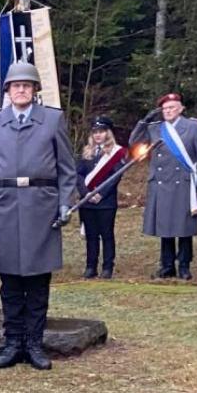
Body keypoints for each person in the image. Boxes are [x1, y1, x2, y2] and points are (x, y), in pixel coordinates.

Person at [0, 61, 75, 371]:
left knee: (38, 280)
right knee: (10, 281)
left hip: (41, 206)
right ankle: (12, 342)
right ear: (7, 91)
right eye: (15, 85)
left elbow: (67, 169)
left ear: (34, 90)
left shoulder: (52, 121)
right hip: (5, 206)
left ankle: (34, 343)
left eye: (26, 85)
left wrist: (65, 204)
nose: (21, 89)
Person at [130, 92, 197, 280]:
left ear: (181, 109)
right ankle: (167, 265)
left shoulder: (194, 127)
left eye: (172, 107)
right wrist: (143, 122)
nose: (168, 111)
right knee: (165, 227)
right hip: (161, 183)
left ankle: (184, 265)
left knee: (183, 228)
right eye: (164, 109)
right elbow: (134, 143)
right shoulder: (156, 128)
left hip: (184, 184)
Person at [76, 116, 127, 279]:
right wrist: (85, 193)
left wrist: (101, 194)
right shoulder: (86, 151)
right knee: (91, 235)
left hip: (105, 201)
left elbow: (116, 176)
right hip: (87, 202)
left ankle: (107, 267)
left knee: (106, 234)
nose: (98, 135)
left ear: (108, 133)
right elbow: (78, 174)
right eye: (95, 132)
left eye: (102, 132)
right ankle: (91, 266)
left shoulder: (115, 152)